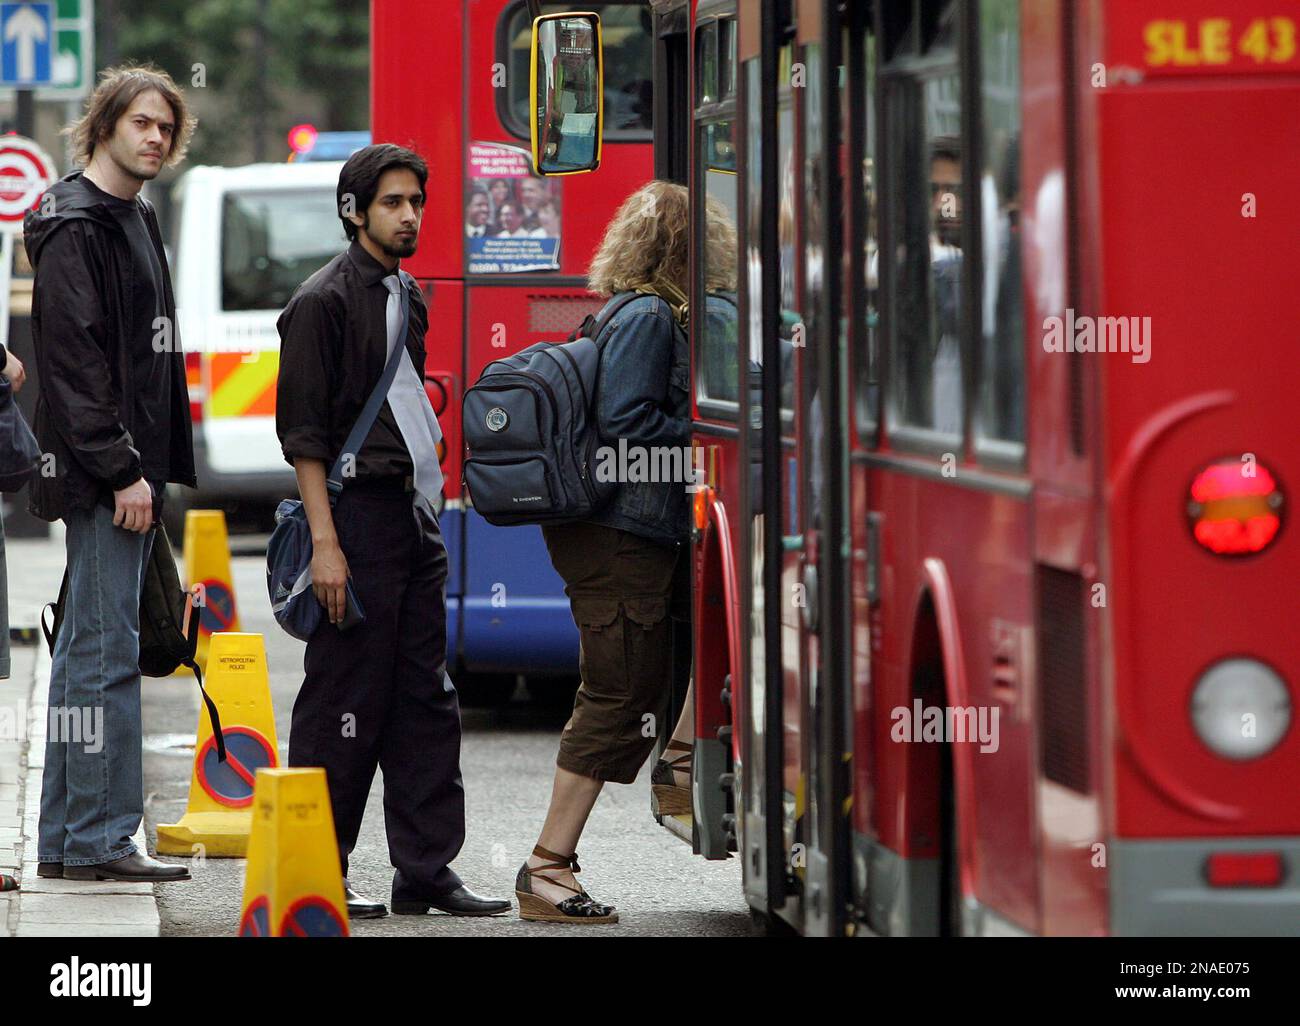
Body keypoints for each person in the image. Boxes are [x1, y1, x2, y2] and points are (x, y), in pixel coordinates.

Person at [276, 144, 509, 921]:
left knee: (425, 700)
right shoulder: (321, 303)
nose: (409, 216)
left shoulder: (409, 295)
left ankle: (425, 870)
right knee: (344, 700)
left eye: (416, 202)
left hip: (412, 519)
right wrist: (327, 545)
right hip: (353, 521)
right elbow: (305, 438)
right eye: (392, 204)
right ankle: (315, 864)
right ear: (355, 211)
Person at [514, 181, 737, 923]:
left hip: (638, 532)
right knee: (615, 696)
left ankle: (678, 760)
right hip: (618, 534)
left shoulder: (649, 311)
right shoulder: (646, 317)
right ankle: (546, 868)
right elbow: (629, 427)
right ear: (688, 245)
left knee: (706, 648)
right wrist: (707, 427)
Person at [25, 65, 197, 883]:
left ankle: (67, 839)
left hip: (125, 473)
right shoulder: (75, 221)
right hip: (105, 479)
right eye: (140, 122)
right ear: (104, 126)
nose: (155, 136)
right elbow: (74, 365)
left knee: (86, 654)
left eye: (166, 126)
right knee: (104, 658)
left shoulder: (133, 214)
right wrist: (126, 470)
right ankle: (98, 838)